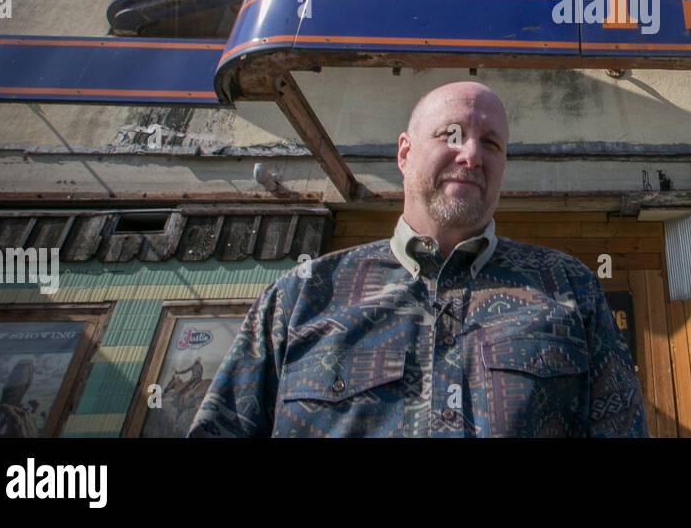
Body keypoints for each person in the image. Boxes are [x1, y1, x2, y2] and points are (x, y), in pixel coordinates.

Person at [190, 81, 646, 438]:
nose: (470, 155)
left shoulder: (569, 288)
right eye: (453, 134)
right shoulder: (300, 296)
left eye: (490, 143)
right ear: (405, 153)